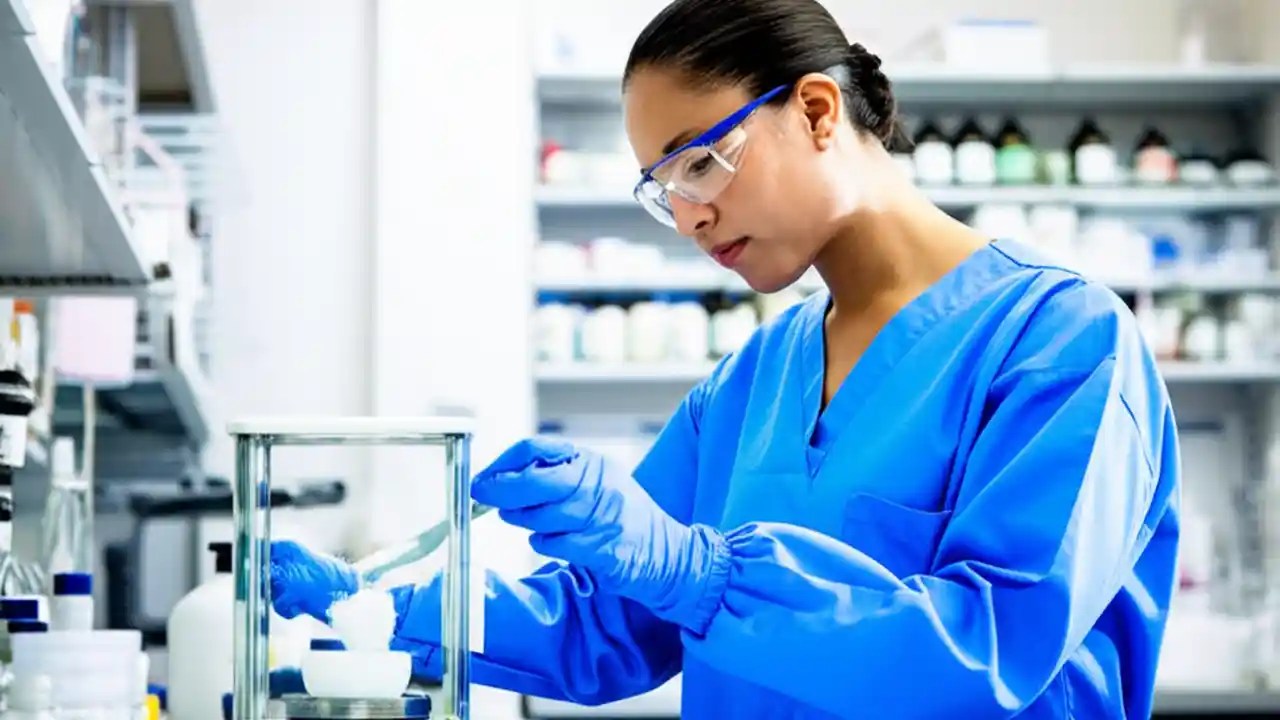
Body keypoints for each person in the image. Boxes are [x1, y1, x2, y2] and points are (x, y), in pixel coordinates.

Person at [269, 0, 1181, 717]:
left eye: (699, 163)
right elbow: (608, 625)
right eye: (662, 191)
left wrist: (700, 573)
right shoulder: (753, 380)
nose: (691, 215)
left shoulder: (1060, 343)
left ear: (817, 110)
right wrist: (377, 608)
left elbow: (989, 650)